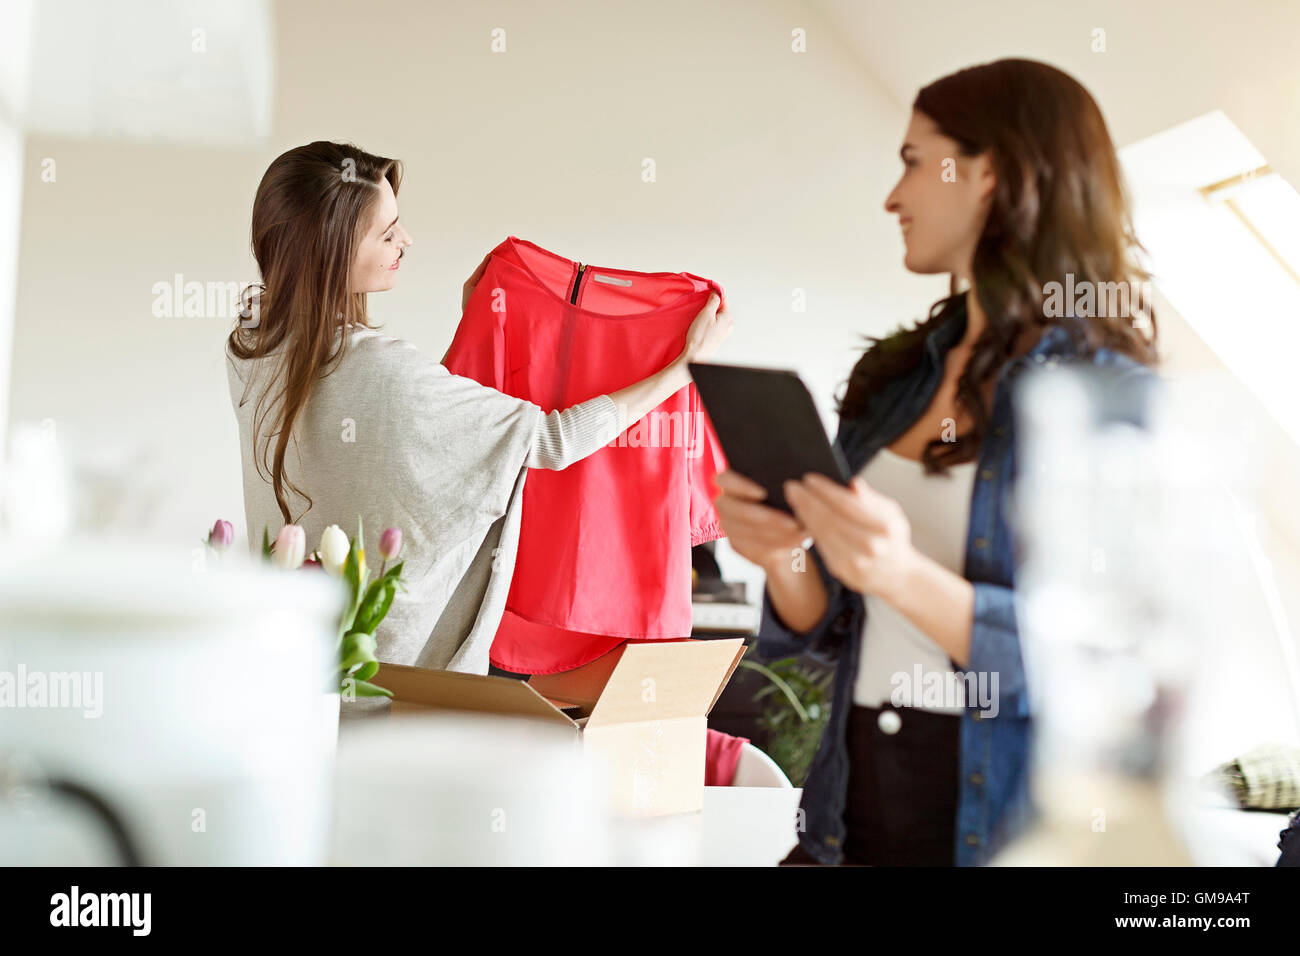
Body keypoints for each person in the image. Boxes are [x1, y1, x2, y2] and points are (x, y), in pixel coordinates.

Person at [711, 58, 1162, 866]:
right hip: (848, 808)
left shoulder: (1106, 399)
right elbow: (828, 631)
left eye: (914, 162)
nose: (893, 196)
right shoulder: (894, 380)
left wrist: (901, 574)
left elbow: (1103, 662)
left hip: (990, 821)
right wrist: (786, 559)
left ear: (991, 171)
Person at [225, 141, 730, 676]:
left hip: (284, 656)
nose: (406, 240)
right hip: (392, 680)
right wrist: (679, 370)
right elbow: (550, 441)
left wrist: (475, 327)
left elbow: (397, 424)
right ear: (331, 248)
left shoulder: (249, 349)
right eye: (387, 232)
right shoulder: (386, 372)